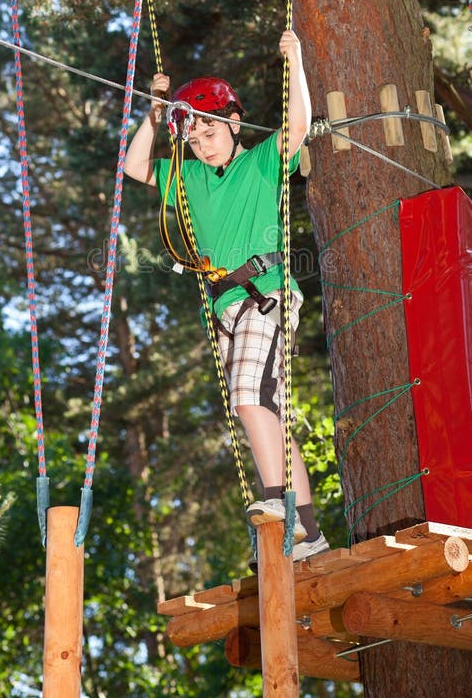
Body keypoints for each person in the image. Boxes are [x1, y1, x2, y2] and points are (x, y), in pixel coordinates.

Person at [124, 29, 329, 565]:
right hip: (225, 307)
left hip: (265, 294)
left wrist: (297, 61)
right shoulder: (188, 179)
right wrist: (153, 116)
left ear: (234, 123)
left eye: (208, 129)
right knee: (269, 410)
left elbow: (300, 127)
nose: (200, 141)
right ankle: (308, 532)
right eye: (191, 136)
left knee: (248, 398)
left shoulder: (260, 163)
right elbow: (133, 167)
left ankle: (274, 504)